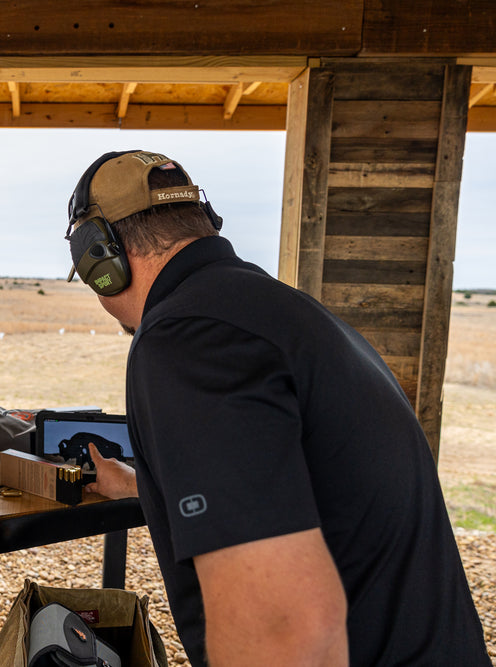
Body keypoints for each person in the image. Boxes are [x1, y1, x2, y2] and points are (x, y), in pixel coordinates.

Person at [67, 150, 489, 665]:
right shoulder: (274, 313)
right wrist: (143, 485)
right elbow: (294, 488)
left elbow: (284, 631)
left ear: (100, 259)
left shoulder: (188, 338)